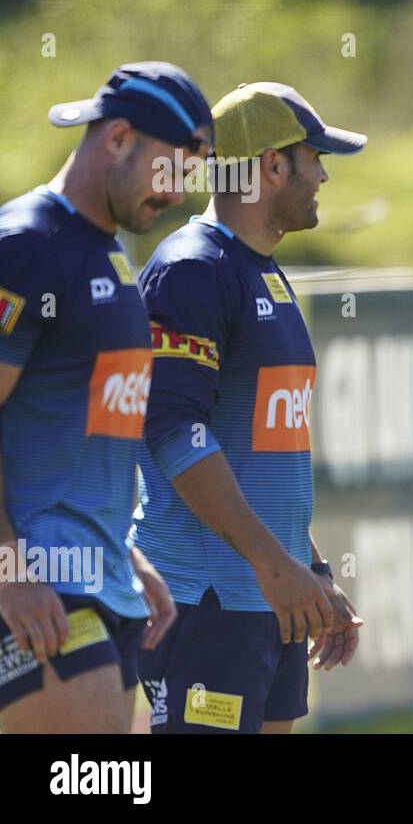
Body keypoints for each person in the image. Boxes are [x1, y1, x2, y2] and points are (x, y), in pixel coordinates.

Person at [135, 82, 365, 733]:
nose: (322, 173)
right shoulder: (193, 268)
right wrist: (275, 565)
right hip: (207, 602)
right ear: (270, 165)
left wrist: (311, 569)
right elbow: (174, 434)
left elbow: (260, 451)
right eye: (314, 155)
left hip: (271, 592)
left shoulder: (260, 268)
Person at [0, 62, 210, 732]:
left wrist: (125, 552)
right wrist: (9, 569)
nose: (178, 193)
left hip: (100, 581)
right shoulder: (28, 245)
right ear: (118, 137)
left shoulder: (107, 252)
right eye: (172, 168)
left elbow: (73, 438)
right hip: (41, 590)